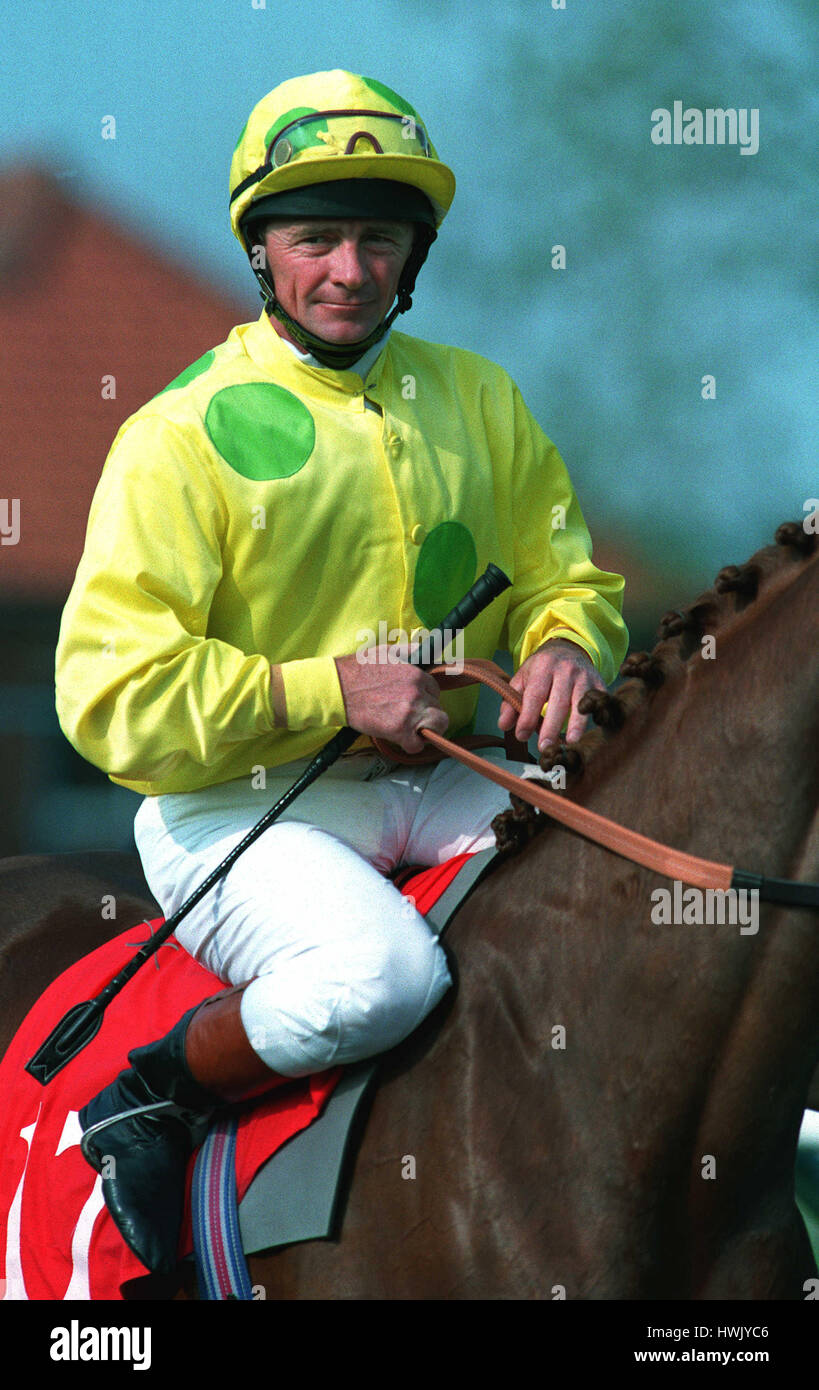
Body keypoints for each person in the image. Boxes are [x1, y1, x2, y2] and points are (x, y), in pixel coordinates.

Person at [54, 70, 629, 1276]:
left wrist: (569, 645)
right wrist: (329, 692)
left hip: (448, 777)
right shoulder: (175, 436)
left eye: (379, 239)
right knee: (380, 978)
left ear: (414, 252)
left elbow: (570, 577)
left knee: (632, 904)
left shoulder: (481, 397)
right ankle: (149, 1101)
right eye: (315, 239)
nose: (350, 271)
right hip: (241, 810)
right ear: (263, 253)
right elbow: (108, 693)